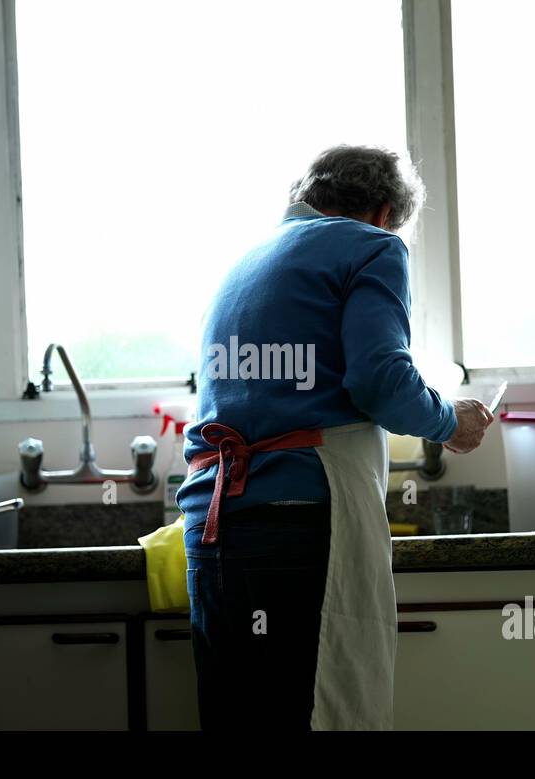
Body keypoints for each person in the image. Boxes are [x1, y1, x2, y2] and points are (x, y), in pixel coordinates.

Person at [177, 145, 494, 731]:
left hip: (212, 528)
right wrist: (450, 422)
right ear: (381, 213)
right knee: (318, 714)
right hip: (297, 524)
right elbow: (380, 381)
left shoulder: (244, 265)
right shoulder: (371, 246)